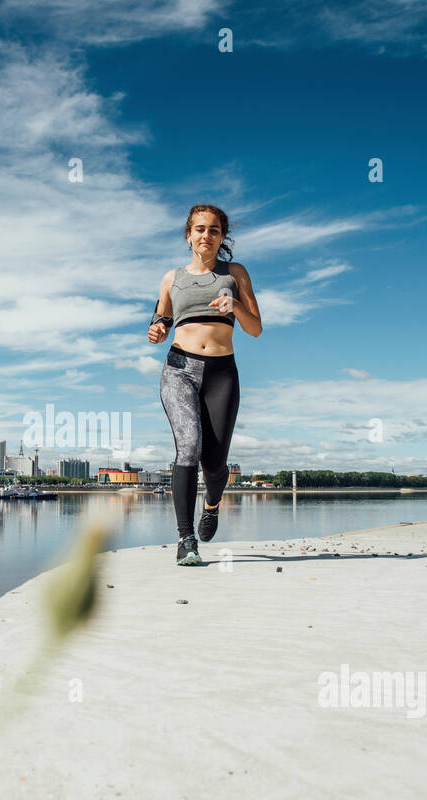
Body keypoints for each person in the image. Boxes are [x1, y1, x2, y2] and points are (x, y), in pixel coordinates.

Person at [149, 204, 262, 565]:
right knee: (189, 448)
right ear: (188, 235)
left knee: (215, 464)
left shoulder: (235, 273)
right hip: (179, 367)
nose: (206, 236)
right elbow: (161, 318)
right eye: (199, 229)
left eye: (214, 230)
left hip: (221, 372)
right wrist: (157, 330)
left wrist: (234, 306)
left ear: (222, 237)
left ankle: (212, 504)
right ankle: (186, 540)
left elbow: (256, 327)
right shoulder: (171, 278)